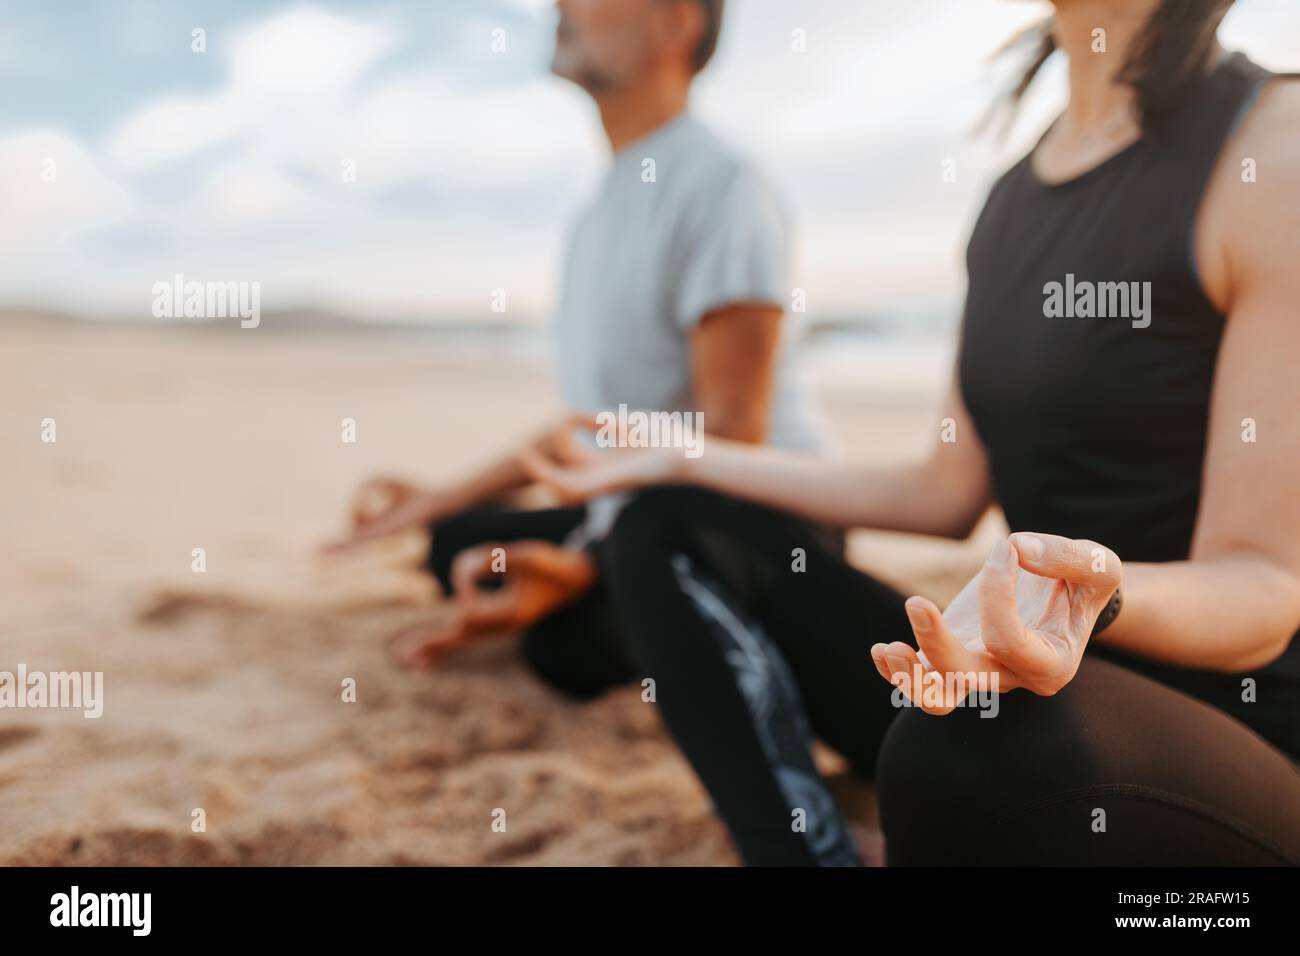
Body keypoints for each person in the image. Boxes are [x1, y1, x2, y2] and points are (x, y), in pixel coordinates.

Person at [523, 0, 1300, 866]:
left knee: (963, 748)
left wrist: (1091, 598)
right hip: (1019, 666)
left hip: (1229, 737)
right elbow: (940, 492)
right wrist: (694, 457)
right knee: (665, 525)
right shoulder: (1013, 197)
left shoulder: (1273, 150)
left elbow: (1263, 588)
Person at [325, 0, 829, 696]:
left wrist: (582, 565)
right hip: (633, 502)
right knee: (457, 543)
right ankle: (582, 573)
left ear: (677, 22)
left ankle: (624, 594)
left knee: (563, 648)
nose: (561, 6)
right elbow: (591, 426)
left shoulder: (721, 184)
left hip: (748, 521)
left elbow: (731, 437)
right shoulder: (595, 213)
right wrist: (436, 500)